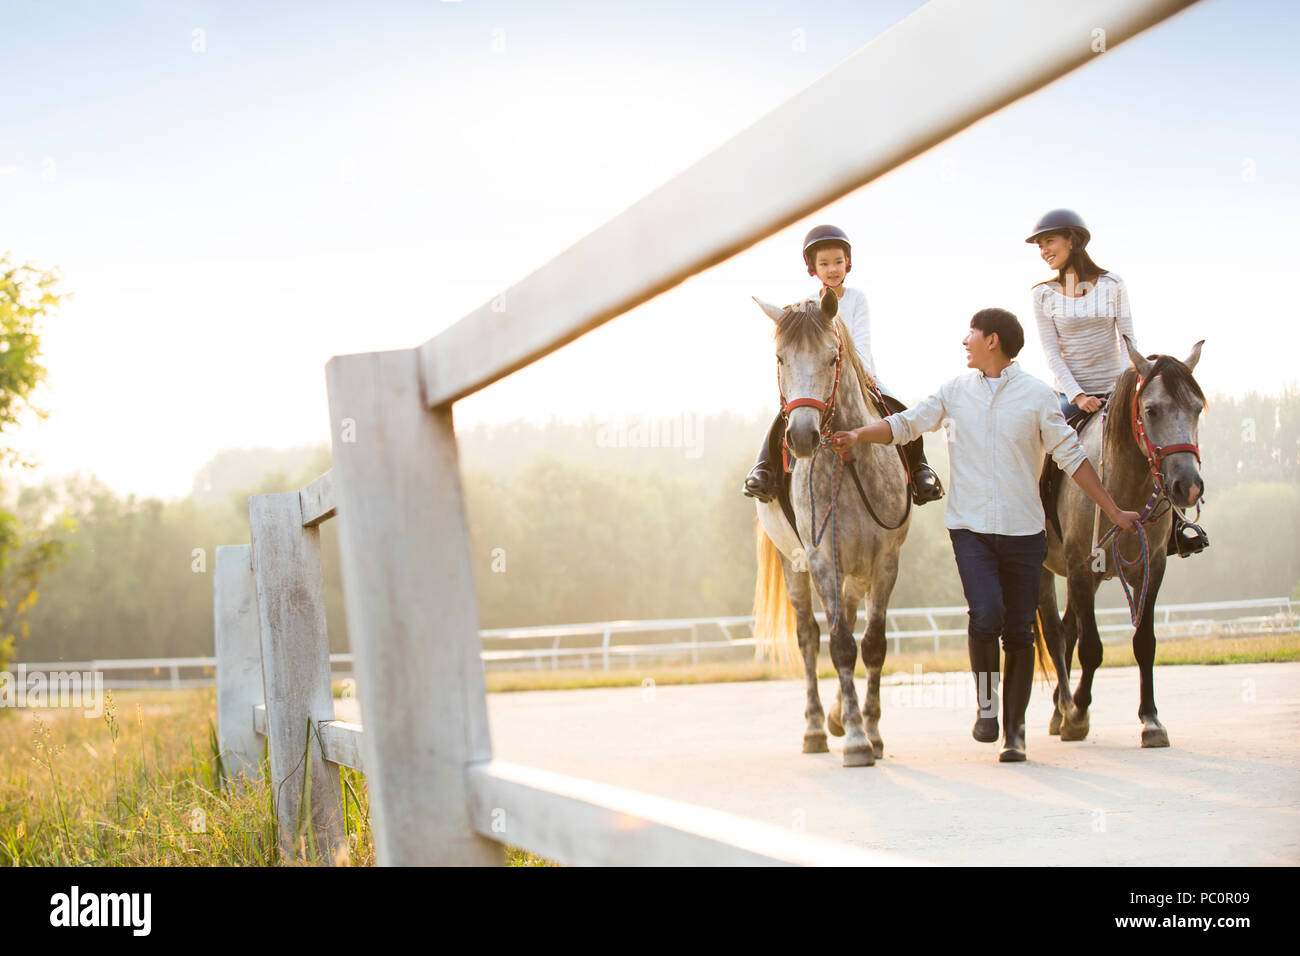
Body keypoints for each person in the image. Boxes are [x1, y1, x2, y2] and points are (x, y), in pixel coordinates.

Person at [831, 308, 1140, 763]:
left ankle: (1014, 734)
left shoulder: (1037, 397)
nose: (965, 341)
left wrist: (1113, 509)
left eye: (971, 333)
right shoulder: (954, 392)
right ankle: (987, 706)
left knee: (1019, 632)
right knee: (986, 615)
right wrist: (859, 434)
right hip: (971, 530)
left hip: (1024, 532)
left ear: (992, 340)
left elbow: (1073, 458)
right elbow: (906, 424)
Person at [1027, 208, 1208, 557]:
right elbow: (1052, 353)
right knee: (1044, 451)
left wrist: (1126, 391)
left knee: (1158, 439)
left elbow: (1129, 341)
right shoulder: (1042, 295)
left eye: (1049, 241)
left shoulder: (1113, 285)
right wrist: (1078, 396)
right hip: (1070, 395)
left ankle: (1178, 527)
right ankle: (1040, 529)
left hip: (1118, 390)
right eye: (1039, 245)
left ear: (1073, 240)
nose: (1043, 250)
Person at [743, 224, 944, 506]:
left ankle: (920, 468)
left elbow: (861, 341)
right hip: (820, 378)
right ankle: (764, 467)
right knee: (784, 415)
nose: (832, 269)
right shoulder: (806, 305)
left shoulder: (857, 299)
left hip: (861, 375)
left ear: (847, 263)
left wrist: (865, 373)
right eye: (824, 263)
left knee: (897, 407)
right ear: (813, 268)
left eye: (838, 261)